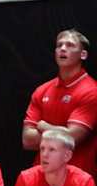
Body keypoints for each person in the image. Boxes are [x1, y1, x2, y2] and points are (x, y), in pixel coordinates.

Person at [22, 29, 97, 177]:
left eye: (70, 45)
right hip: (41, 176)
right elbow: (28, 140)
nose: (63, 49)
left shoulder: (91, 91)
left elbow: (72, 138)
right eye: (59, 45)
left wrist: (44, 126)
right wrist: (61, 133)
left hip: (76, 178)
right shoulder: (42, 90)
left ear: (83, 54)